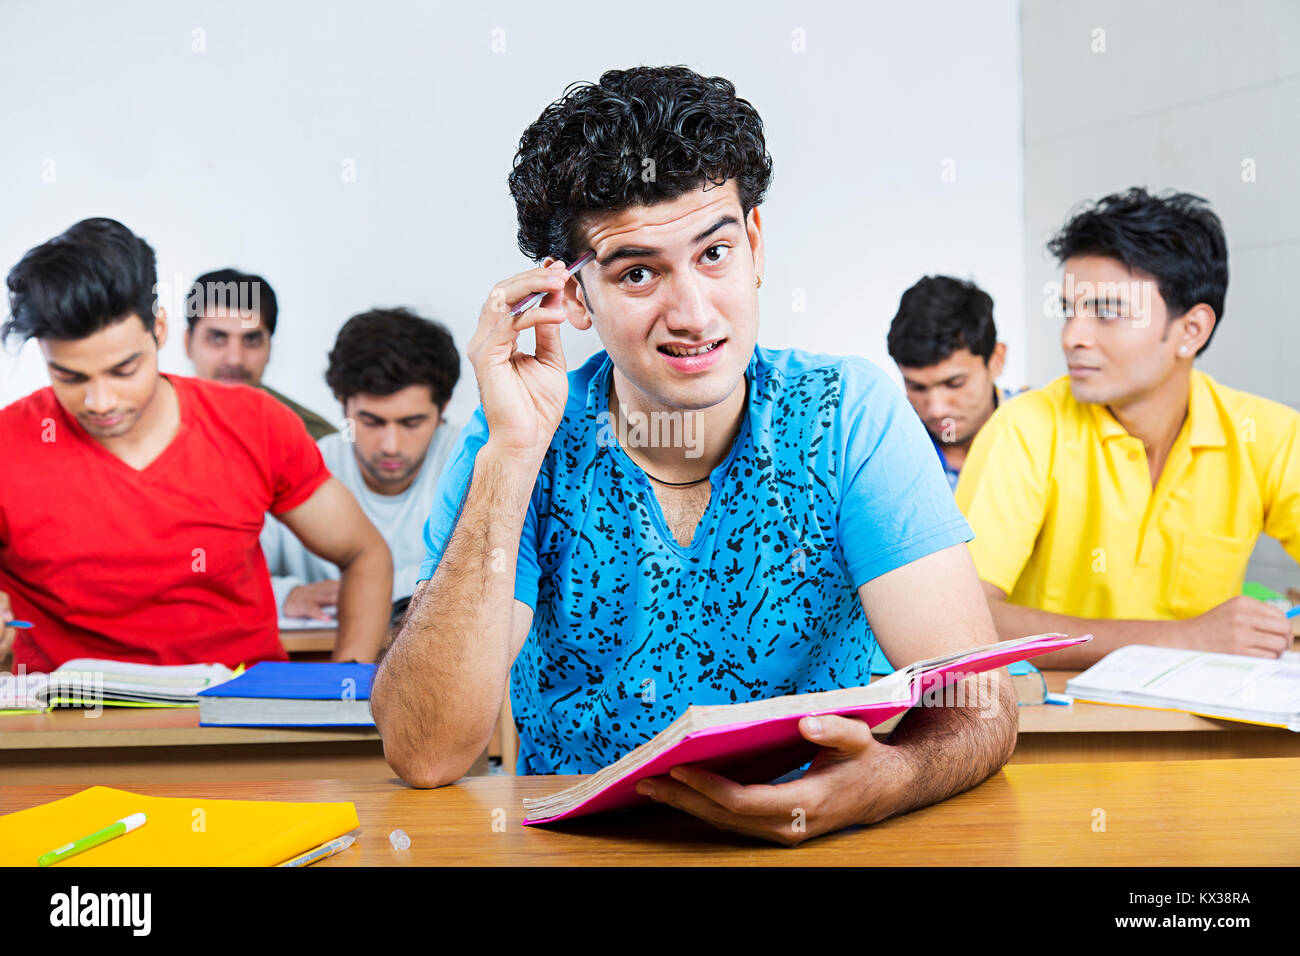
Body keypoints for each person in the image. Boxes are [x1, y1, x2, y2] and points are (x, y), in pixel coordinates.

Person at [370, 66, 1017, 846]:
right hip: (588, 857)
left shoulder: (849, 416)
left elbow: (978, 705)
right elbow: (427, 752)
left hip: (827, 846)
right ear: (573, 298)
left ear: (754, 244)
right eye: (638, 272)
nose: (693, 312)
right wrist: (512, 452)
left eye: (713, 254)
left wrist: (888, 781)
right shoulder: (515, 439)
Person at [0, 218, 392, 672]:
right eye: (70, 376)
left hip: (242, 726)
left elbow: (365, 554)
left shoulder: (255, 423)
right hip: (67, 732)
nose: (100, 402)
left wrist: (343, 692)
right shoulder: (9, 444)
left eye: (124, 369)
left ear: (160, 330)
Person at [956, 188, 1300, 670]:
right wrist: (1180, 638)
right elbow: (959, 623)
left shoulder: (1267, 435)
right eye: (1068, 309)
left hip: (1207, 727)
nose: (1072, 336)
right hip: (1063, 735)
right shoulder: (1025, 429)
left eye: (1107, 312)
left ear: (1191, 331)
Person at [262, 307, 463, 621]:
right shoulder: (300, 466)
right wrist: (283, 595)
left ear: (443, 409)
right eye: (371, 421)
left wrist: (361, 590)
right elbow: (223, 576)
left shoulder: (478, 463)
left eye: (412, 423)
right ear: (342, 404)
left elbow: (486, 575)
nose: (390, 446)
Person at [887, 275, 1021, 490]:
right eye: (917, 387)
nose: (937, 410)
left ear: (996, 359)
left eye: (955, 383)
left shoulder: (1046, 431)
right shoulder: (881, 449)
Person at [184, 268, 336, 439]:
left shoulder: (314, 440)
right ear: (187, 343)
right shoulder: (152, 426)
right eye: (217, 339)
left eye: (251, 340)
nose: (235, 359)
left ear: (269, 348)